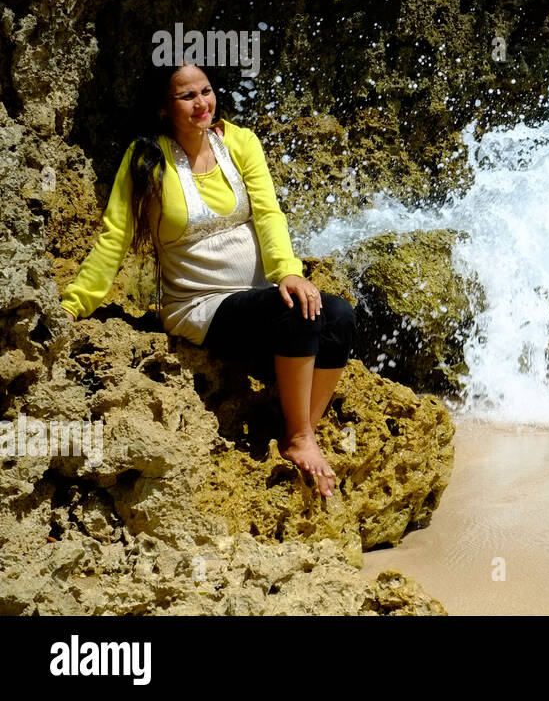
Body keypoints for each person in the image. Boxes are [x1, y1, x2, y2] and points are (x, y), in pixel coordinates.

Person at [61, 62, 354, 496]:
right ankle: (299, 440)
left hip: (258, 298)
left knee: (340, 315)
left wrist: (288, 272)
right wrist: (72, 306)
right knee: (295, 315)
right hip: (200, 307)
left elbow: (270, 214)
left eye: (206, 91)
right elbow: (114, 238)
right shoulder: (146, 158)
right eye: (187, 96)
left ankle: (298, 421)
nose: (202, 103)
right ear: (163, 108)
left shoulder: (238, 141)